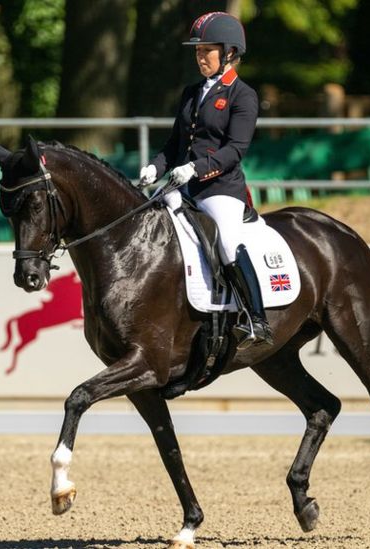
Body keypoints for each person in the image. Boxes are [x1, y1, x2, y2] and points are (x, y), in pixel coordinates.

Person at [139, 11, 272, 349]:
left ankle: (255, 318)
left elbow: (234, 150)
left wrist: (196, 169)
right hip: (180, 185)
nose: (200, 58)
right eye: (197, 52)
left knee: (227, 242)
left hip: (220, 189)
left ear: (229, 53)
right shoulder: (191, 92)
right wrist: (155, 167)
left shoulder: (243, 95)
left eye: (206, 51)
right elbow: (174, 145)